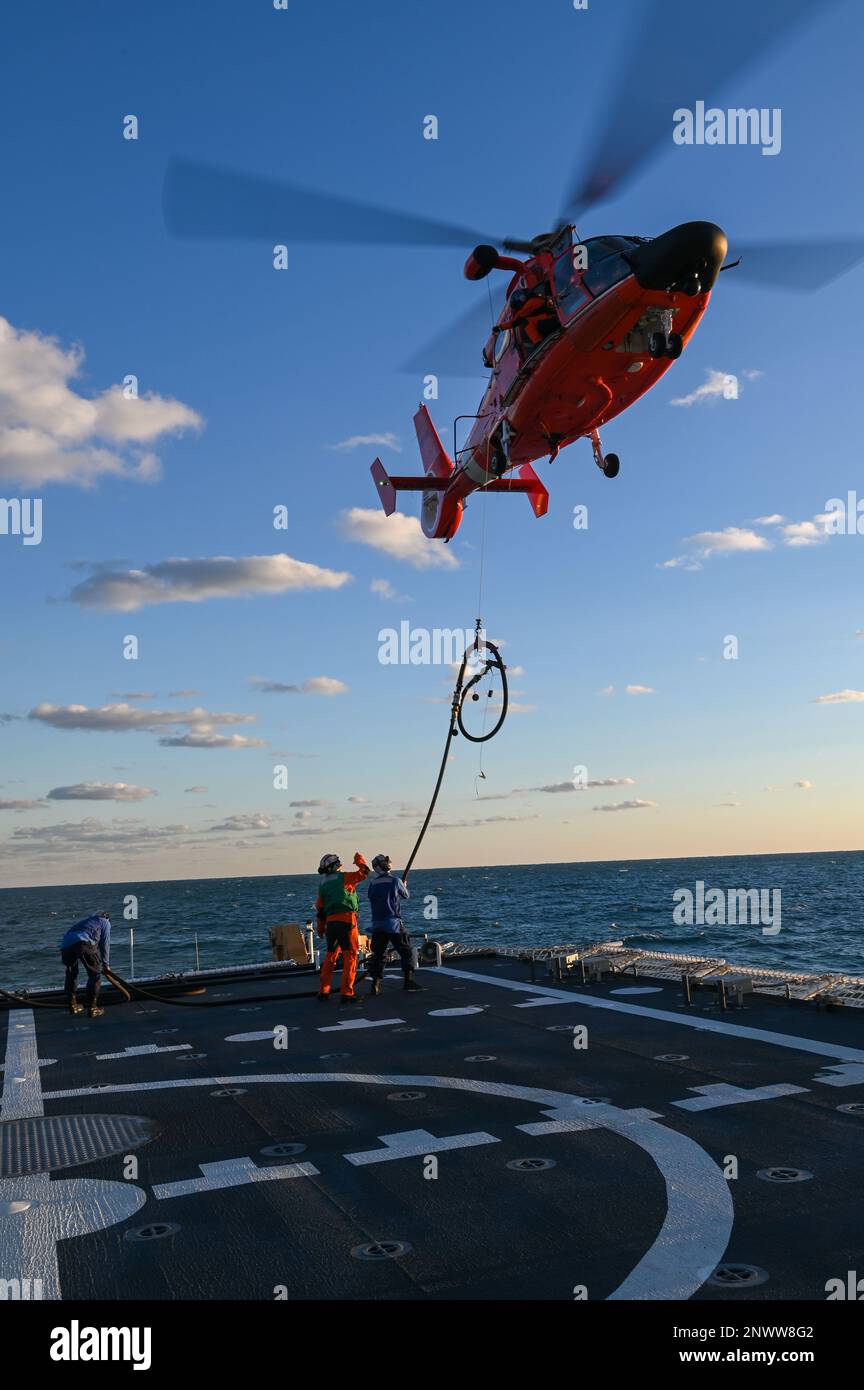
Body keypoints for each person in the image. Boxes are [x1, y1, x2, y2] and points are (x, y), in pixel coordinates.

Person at [315, 852, 370, 1004]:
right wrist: (359, 861)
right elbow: (364, 872)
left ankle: (323, 991)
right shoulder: (344, 877)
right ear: (335, 866)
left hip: (331, 923)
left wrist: (320, 928)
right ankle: (347, 993)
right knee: (350, 955)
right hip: (346, 921)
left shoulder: (323, 883)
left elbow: (320, 909)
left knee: (331, 955)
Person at [366, 854, 421, 995]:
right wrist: (404, 886)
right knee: (406, 951)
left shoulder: (373, 883)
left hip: (377, 924)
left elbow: (372, 897)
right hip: (393, 924)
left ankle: (375, 985)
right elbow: (406, 895)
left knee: (378, 955)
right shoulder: (396, 881)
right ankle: (408, 981)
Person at [59, 911, 111, 1018]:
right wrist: (106, 964)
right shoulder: (105, 922)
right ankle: (93, 1008)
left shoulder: (87, 921)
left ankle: (73, 1005)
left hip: (65, 945)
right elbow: (105, 944)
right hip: (84, 942)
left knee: (71, 973)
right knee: (95, 975)